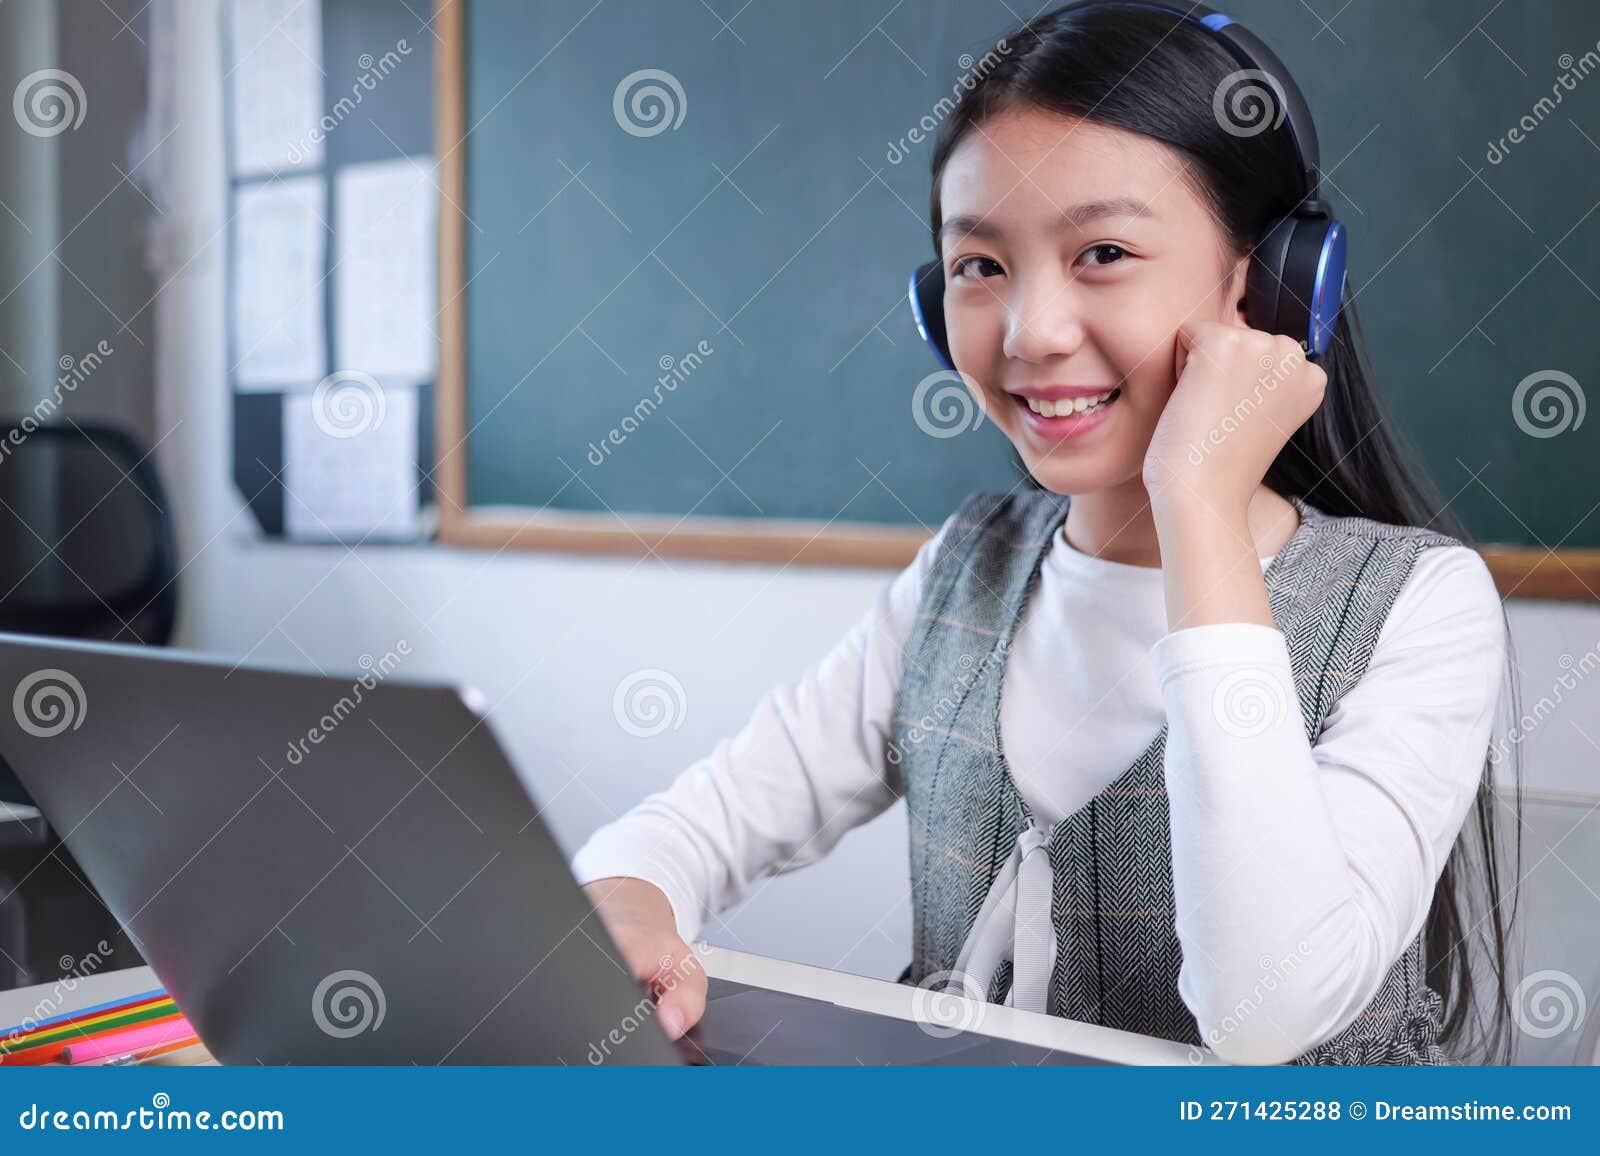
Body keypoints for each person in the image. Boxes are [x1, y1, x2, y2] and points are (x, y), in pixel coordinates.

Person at [574, 1, 1523, 1065]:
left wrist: (1199, 502)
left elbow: (1266, 1015)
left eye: (1103, 251)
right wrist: (630, 897)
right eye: (980, 266)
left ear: (1271, 286)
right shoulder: (963, 572)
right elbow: (686, 831)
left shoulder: (1419, 606)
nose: (1031, 333)